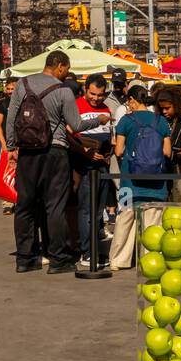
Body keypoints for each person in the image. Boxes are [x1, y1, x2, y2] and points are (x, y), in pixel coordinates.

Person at [4, 50, 109, 273]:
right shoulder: (63, 90)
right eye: (67, 70)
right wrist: (98, 119)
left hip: (28, 152)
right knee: (55, 206)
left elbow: (11, 117)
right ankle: (58, 259)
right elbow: (77, 125)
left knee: (25, 205)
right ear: (60, 66)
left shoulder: (22, 84)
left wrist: (11, 147)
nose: (66, 74)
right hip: (55, 151)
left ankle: (25, 258)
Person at [109, 84, 171, 269]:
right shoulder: (161, 121)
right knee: (152, 224)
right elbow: (167, 151)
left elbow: (119, 151)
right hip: (156, 182)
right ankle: (149, 261)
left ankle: (119, 260)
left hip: (130, 180)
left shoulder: (126, 121)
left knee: (124, 219)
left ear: (133, 100)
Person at [71, 74, 116, 268]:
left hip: (102, 165)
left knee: (98, 211)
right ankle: (87, 253)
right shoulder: (75, 106)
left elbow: (110, 135)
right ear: (85, 89)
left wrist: (109, 152)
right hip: (84, 166)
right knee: (86, 211)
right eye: (92, 94)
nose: (96, 98)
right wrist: (85, 151)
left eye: (100, 95)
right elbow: (67, 135)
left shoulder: (106, 108)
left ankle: (94, 250)